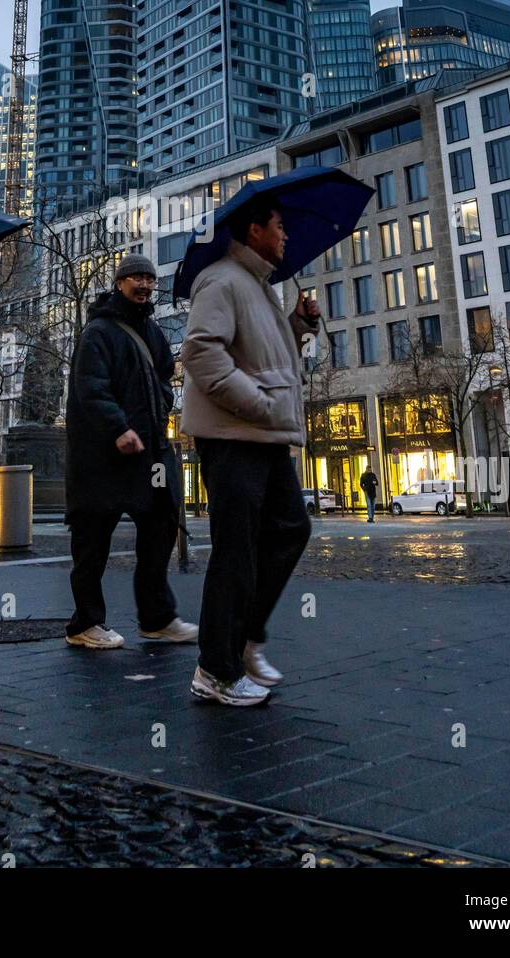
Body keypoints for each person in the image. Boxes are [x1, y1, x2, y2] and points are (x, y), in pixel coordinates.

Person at [181, 198, 321, 706]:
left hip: (266, 436)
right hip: (235, 436)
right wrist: (257, 403)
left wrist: (300, 325)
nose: (285, 236)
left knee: (290, 528)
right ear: (255, 229)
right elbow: (200, 353)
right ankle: (214, 669)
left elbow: (269, 353)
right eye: (280, 227)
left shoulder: (260, 286)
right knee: (235, 551)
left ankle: (244, 639)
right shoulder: (222, 280)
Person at [64, 253, 197, 650]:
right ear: (119, 283)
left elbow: (163, 379)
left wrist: (161, 401)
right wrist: (119, 427)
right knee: (93, 540)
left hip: (148, 452)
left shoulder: (153, 333)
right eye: (136, 277)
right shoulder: (98, 332)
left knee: (161, 523)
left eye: (149, 279)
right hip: (102, 456)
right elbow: (91, 388)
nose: (144, 284)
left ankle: (156, 618)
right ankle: (84, 623)